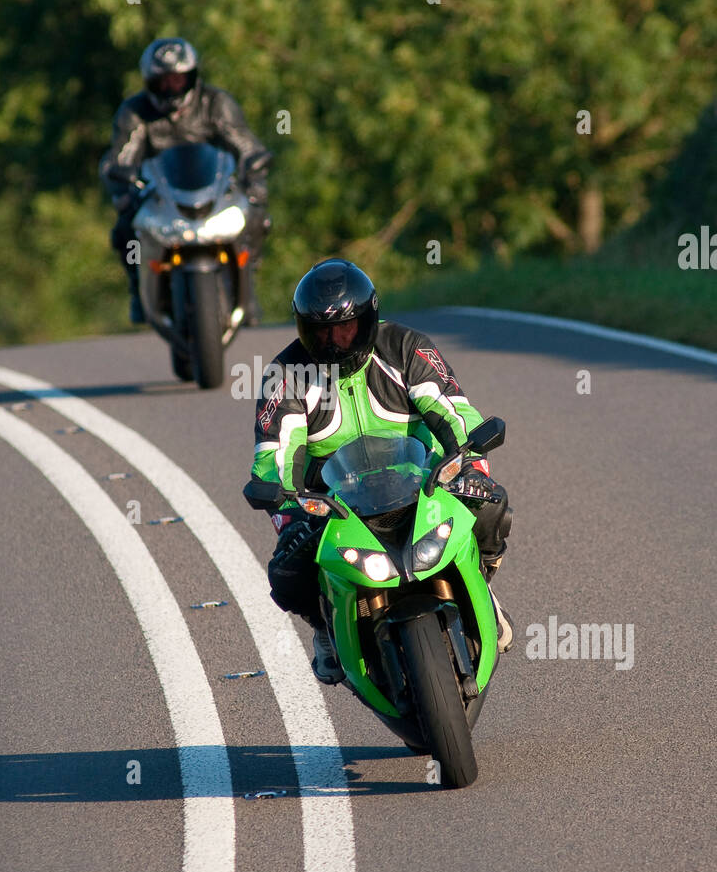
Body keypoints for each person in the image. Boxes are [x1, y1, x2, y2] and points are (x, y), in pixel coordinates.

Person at [244, 258, 514, 684]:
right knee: (286, 572)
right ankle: (326, 627)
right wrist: (287, 506)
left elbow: (454, 412)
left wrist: (472, 464)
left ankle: (479, 583)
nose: (334, 341)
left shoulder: (407, 347)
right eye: (321, 331)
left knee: (491, 503)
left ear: (367, 320)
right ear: (302, 329)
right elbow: (273, 456)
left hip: (420, 486)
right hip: (337, 508)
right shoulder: (286, 376)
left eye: (345, 328)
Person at [99, 37, 272, 324]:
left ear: (192, 77)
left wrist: (254, 176)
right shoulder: (135, 112)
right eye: (163, 82)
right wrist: (122, 181)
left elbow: (247, 146)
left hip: (215, 191)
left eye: (178, 81)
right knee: (124, 230)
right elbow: (121, 156)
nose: (171, 88)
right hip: (160, 196)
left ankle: (247, 284)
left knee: (257, 217)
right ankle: (138, 292)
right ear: (149, 82)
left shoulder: (216, 104)